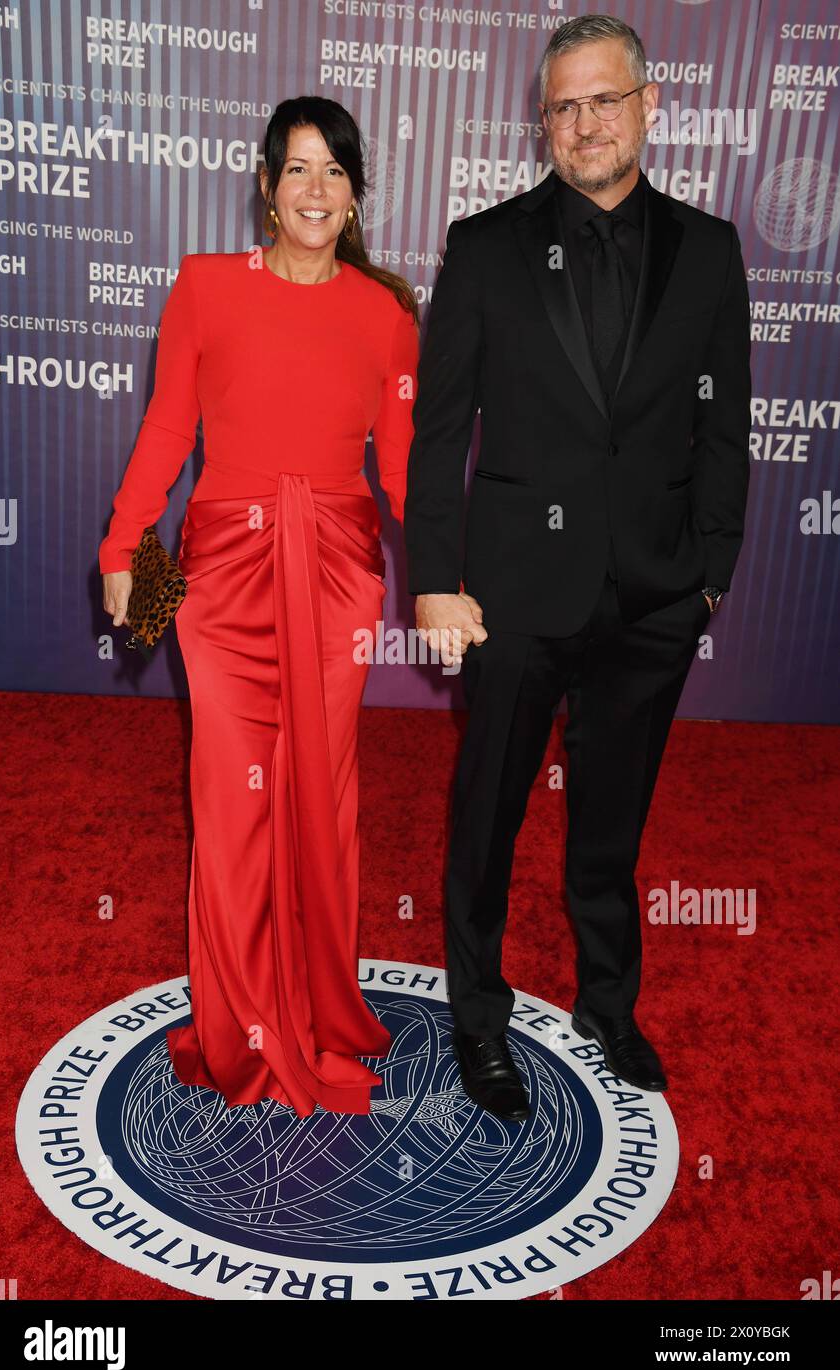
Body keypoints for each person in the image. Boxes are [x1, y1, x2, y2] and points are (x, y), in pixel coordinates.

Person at [404, 14, 751, 1121]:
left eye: (604, 100)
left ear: (649, 106)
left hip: (651, 598)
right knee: (487, 814)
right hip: (509, 599)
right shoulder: (485, 244)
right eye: (563, 105)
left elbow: (725, 430)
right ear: (540, 120)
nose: (584, 123)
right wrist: (432, 577)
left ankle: (607, 1003)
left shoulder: (708, 250)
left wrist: (708, 572)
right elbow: (437, 429)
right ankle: (476, 1014)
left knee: (611, 820)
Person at [100, 96, 421, 1118]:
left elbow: (407, 477)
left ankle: (321, 1007)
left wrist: (455, 577)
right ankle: (242, 1020)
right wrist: (123, 543)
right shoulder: (203, 288)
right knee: (233, 802)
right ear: (266, 186)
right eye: (296, 170)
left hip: (335, 573)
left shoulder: (385, 315)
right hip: (226, 575)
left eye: (333, 171)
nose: (314, 189)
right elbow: (166, 430)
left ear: (356, 189)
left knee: (321, 796)